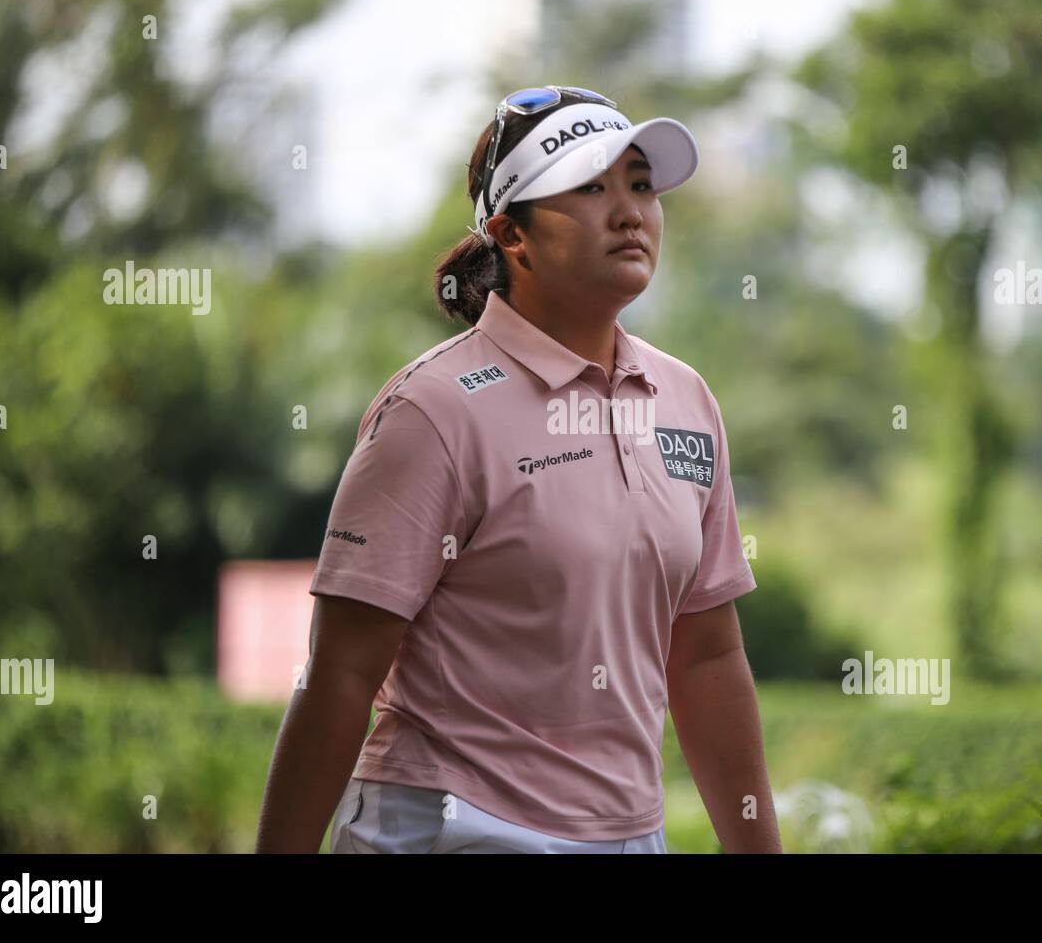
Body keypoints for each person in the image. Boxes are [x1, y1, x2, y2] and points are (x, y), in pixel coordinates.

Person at [256, 85, 782, 854]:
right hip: (454, 826)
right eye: (590, 188)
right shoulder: (434, 410)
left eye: (640, 185)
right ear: (512, 235)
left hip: (633, 835)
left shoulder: (685, 400)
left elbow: (705, 657)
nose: (629, 211)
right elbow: (339, 673)